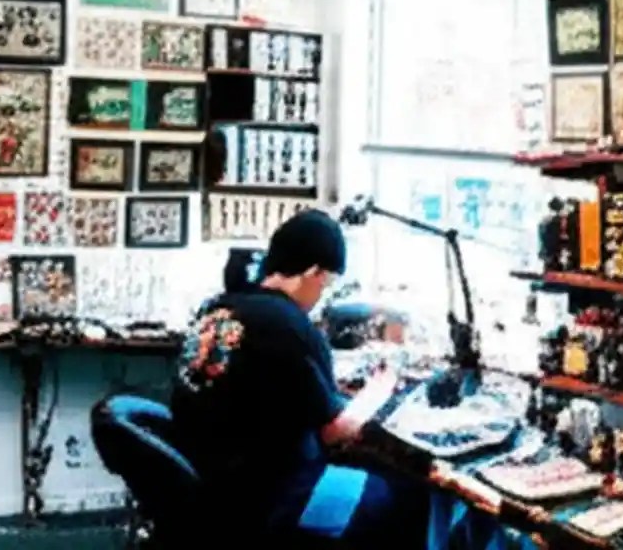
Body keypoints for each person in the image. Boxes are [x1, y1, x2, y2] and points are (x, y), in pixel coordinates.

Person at [171, 210, 523, 548]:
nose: (323, 294)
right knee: (411, 497)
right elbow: (336, 431)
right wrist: (379, 389)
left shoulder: (217, 307)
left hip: (210, 482)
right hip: (265, 498)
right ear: (313, 271)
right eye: (327, 282)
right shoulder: (289, 324)